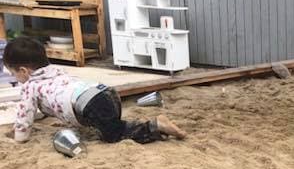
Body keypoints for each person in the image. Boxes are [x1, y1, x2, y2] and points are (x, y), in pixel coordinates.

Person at [3, 36, 185, 145]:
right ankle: (147, 127)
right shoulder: (56, 71)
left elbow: (24, 117)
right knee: (111, 124)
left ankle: (156, 125)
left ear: (23, 71)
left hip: (91, 104)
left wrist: (20, 137)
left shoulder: (30, 87)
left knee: (114, 135)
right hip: (103, 92)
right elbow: (50, 103)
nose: (14, 78)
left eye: (12, 73)